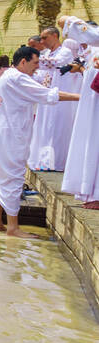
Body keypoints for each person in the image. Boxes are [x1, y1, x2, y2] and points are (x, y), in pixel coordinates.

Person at [0, 44, 81, 236]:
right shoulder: (17, 78)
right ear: (23, 62)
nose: (37, 67)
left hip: (3, 135)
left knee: (0, 178)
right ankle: (13, 228)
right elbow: (49, 95)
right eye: (35, 62)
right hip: (11, 137)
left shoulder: (7, 76)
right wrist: (81, 97)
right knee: (13, 179)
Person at [28, 28, 81, 172]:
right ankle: (44, 161)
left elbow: (55, 63)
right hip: (46, 99)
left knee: (56, 131)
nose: (42, 41)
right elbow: (41, 75)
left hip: (60, 100)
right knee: (44, 130)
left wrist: (32, 60)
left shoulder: (65, 52)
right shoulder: (46, 54)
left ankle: (56, 163)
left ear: (55, 36)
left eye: (45, 38)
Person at [61, 17, 99, 209]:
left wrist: (71, 21)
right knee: (89, 141)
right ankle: (90, 190)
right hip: (91, 104)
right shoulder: (93, 50)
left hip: (95, 105)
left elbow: (92, 34)